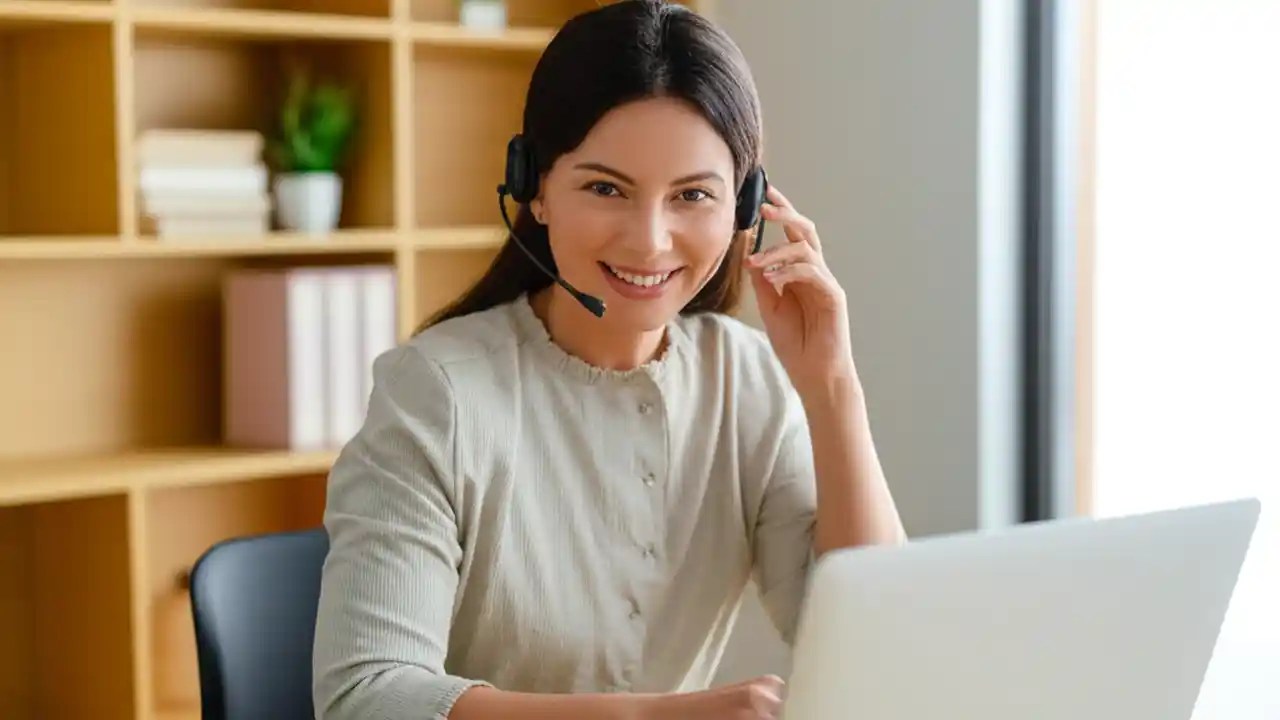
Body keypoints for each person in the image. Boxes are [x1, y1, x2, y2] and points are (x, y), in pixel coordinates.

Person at [311, 1, 906, 718]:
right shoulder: (434, 392)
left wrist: (831, 384)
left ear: (745, 208)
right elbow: (365, 699)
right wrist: (658, 717)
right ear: (535, 189)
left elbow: (873, 643)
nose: (650, 242)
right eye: (605, 188)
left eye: (693, 196)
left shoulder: (744, 378)